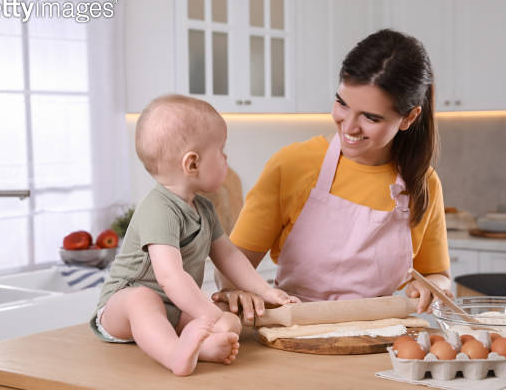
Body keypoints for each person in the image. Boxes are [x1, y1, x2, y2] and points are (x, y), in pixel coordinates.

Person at [213, 29, 452, 322]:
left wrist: (432, 287)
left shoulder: (422, 184)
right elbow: (232, 267)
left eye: (370, 117)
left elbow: (438, 275)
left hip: (378, 344)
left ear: (409, 117)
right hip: (293, 335)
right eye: (342, 103)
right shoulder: (292, 165)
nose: (349, 126)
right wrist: (236, 291)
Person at [89, 94, 297, 376]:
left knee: (230, 322)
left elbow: (230, 256)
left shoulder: (204, 208)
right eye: (221, 152)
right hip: (121, 310)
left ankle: (203, 349)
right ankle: (175, 355)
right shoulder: (159, 208)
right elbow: (170, 277)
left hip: (171, 310)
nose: (226, 159)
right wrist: (208, 315)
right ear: (192, 164)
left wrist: (265, 290)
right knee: (144, 299)